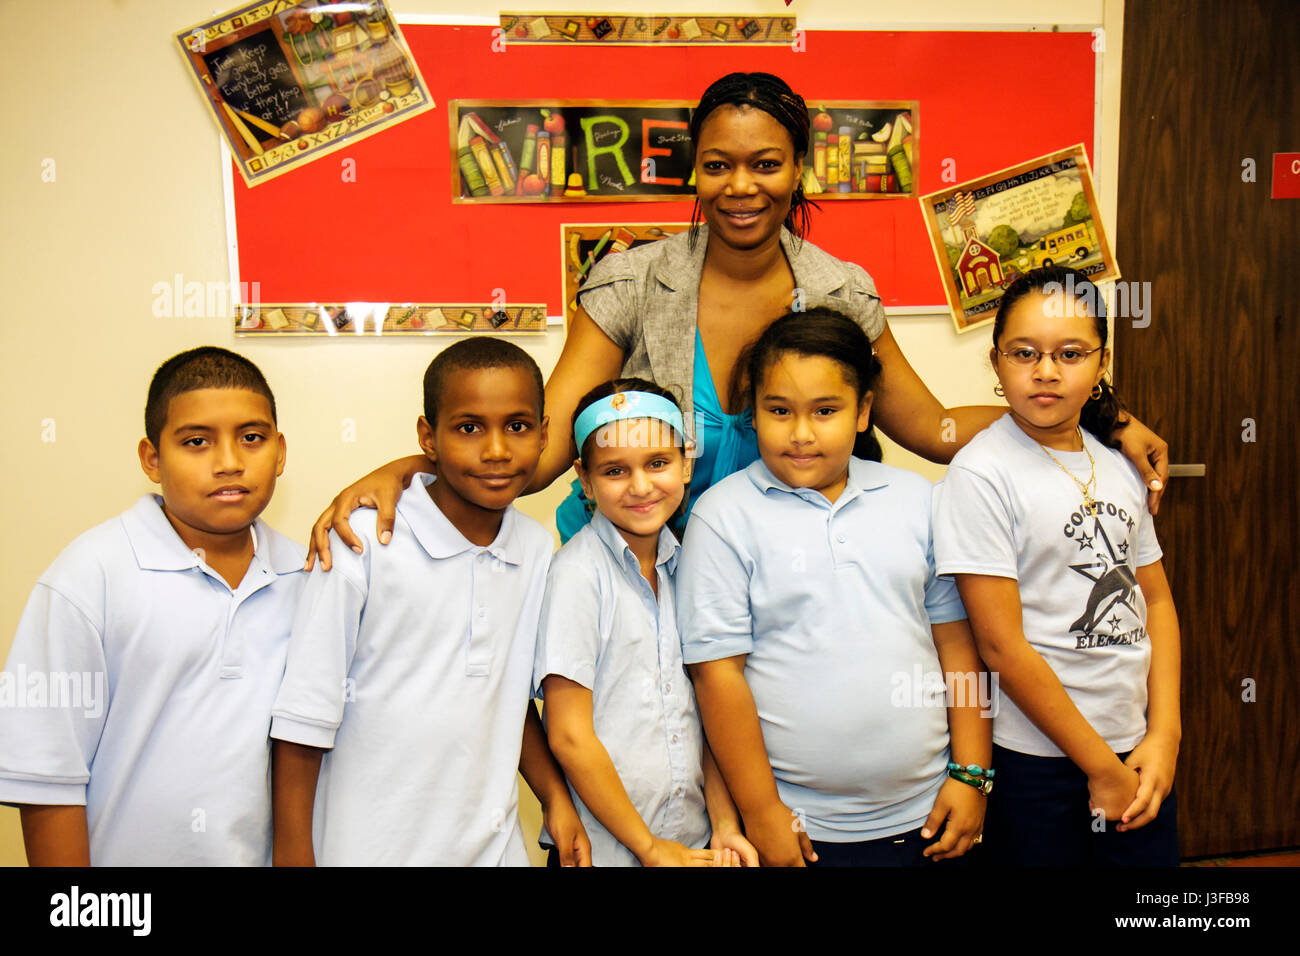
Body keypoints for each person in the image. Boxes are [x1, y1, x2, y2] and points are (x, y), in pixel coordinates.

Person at [302, 71, 1169, 565]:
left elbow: (934, 427)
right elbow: (547, 442)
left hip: (789, 568)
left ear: (799, 172)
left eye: (765, 164)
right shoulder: (632, 282)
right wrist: (413, 468)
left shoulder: (840, 289)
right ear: (694, 172)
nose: (741, 186)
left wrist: (1104, 420)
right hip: (638, 564)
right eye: (718, 165)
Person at [677, 309, 992, 867]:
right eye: (779, 411)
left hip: (928, 819)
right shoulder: (721, 517)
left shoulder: (916, 499)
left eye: (825, 411)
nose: (801, 433)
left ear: (864, 411)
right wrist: (763, 812)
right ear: (754, 412)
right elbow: (716, 675)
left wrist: (972, 773)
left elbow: (957, 645)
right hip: (798, 832)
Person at [269, 338, 589, 866]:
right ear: (428, 437)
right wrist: (293, 853)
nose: (496, 450)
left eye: (517, 426)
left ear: (544, 434)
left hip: (491, 847)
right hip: (366, 850)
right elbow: (304, 714)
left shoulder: (535, 549)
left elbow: (506, 696)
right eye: (468, 428)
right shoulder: (362, 542)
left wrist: (554, 796)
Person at [0, 347, 304, 865]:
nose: (229, 462)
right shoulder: (88, 576)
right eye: (196, 442)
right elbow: (46, 778)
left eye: (251, 438)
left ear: (279, 451)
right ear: (152, 458)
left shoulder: (308, 577)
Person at [932, 267, 1181, 866]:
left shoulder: (1118, 464)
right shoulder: (982, 472)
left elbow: (1158, 604)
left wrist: (1165, 734)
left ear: (1101, 363)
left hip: (1138, 748)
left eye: (1070, 353)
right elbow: (1000, 647)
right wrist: (1099, 767)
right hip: (1039, 764)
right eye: (1025, 353)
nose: (1046, 370)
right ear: (996, 363)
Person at [534, 378, 757, 867]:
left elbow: (706, 711)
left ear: (686, 463)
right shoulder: (575, 576)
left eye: (658, 463)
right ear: (585, 480)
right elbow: (569, 735)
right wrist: (649, 848)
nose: (640, 487)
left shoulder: (690, 569)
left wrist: (722, 825)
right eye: (615, 470)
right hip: (608, 853)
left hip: (692, 847)